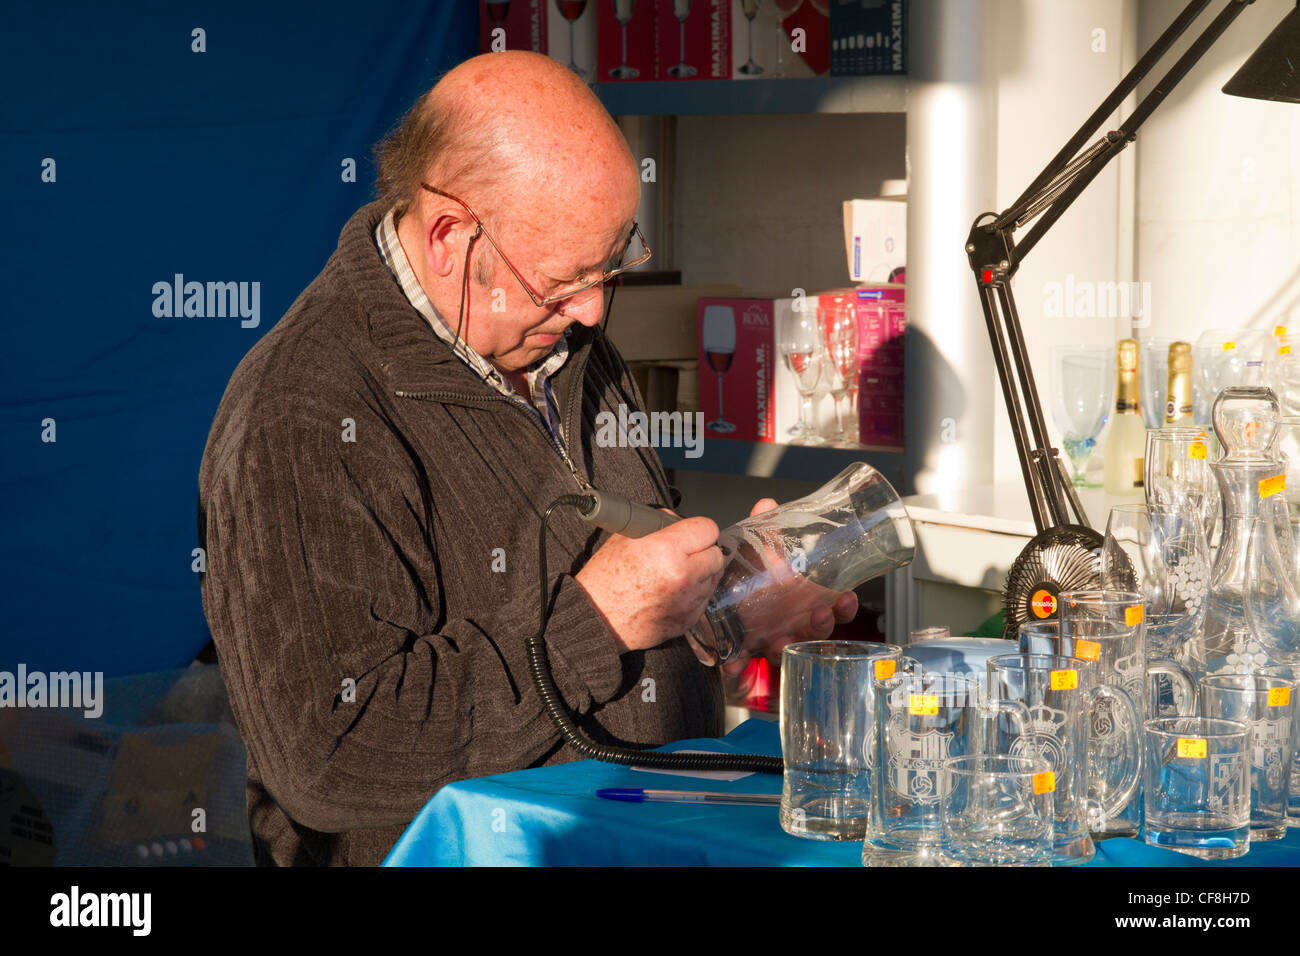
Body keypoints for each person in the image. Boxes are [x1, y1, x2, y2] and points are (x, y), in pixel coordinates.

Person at [197, 51, 856, 867]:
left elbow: (608, 620)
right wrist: (597, 621)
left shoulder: (561, 343)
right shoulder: (301, 412)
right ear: (448, 236)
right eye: (563, 281)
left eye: (612, 266)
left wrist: (723, 609)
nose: (591, 309)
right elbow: (334, 754)